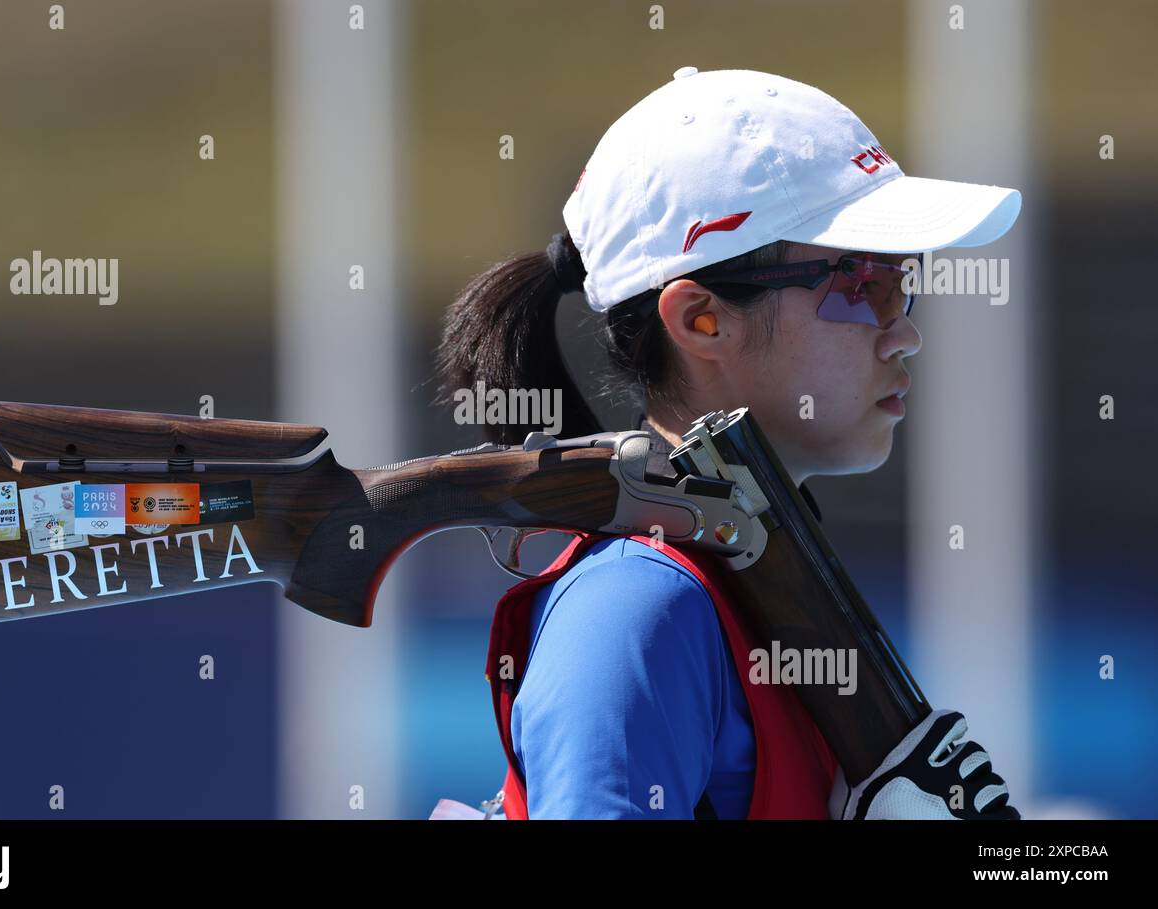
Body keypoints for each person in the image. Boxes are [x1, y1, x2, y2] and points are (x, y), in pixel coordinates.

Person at [435, 67, 1022, 819]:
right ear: (703, 320)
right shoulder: (636, 606)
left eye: (903, 279)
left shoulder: (759, 573)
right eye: (861, 282)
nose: (904, 329)